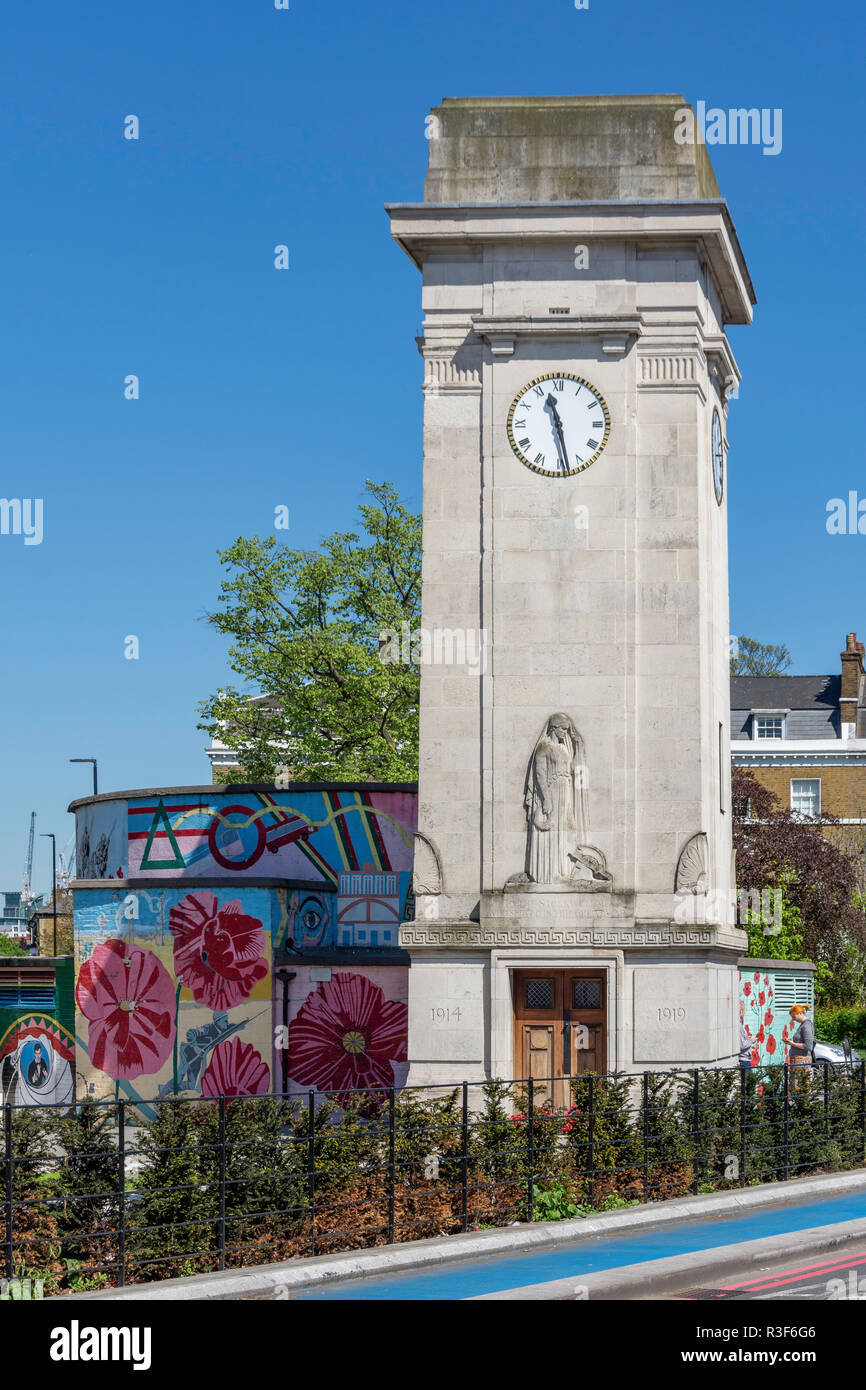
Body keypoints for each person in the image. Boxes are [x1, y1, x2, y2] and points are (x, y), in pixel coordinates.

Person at [739, 1001, 752, 1069]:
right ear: (741, 1011)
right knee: (747, 1079)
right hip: (744, 1060)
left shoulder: (738, 1025)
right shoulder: (739, 1026)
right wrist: (752, 1040)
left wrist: (748, 1039)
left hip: (744, 1059)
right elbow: (742, 1045)